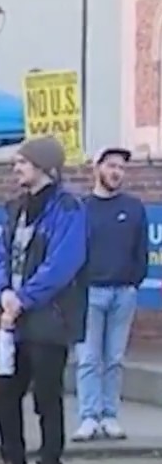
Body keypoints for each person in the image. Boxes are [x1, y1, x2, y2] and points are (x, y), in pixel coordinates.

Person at [0, 137, 88, 464]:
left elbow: (63, 263)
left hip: (50, 319)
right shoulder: (16, 208)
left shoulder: (68, 208)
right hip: (15, 318)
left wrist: (24, 298)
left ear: (43, 166)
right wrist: (3, 291)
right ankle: (11, 461)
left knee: (47, 397)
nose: (16, 168)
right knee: (6, 393)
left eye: (22, 162)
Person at [74, 146, 145, 441]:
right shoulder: (81, 208)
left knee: (114, 358)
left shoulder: (134, 207)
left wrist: (133, 281)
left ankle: (110, 415)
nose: (117, 172)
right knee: (89, 358)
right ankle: (89, 416)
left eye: (121, 168)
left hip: (123, 292)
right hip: (89, 292)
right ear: (97, 168)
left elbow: (141, 250)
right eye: (111, 166)